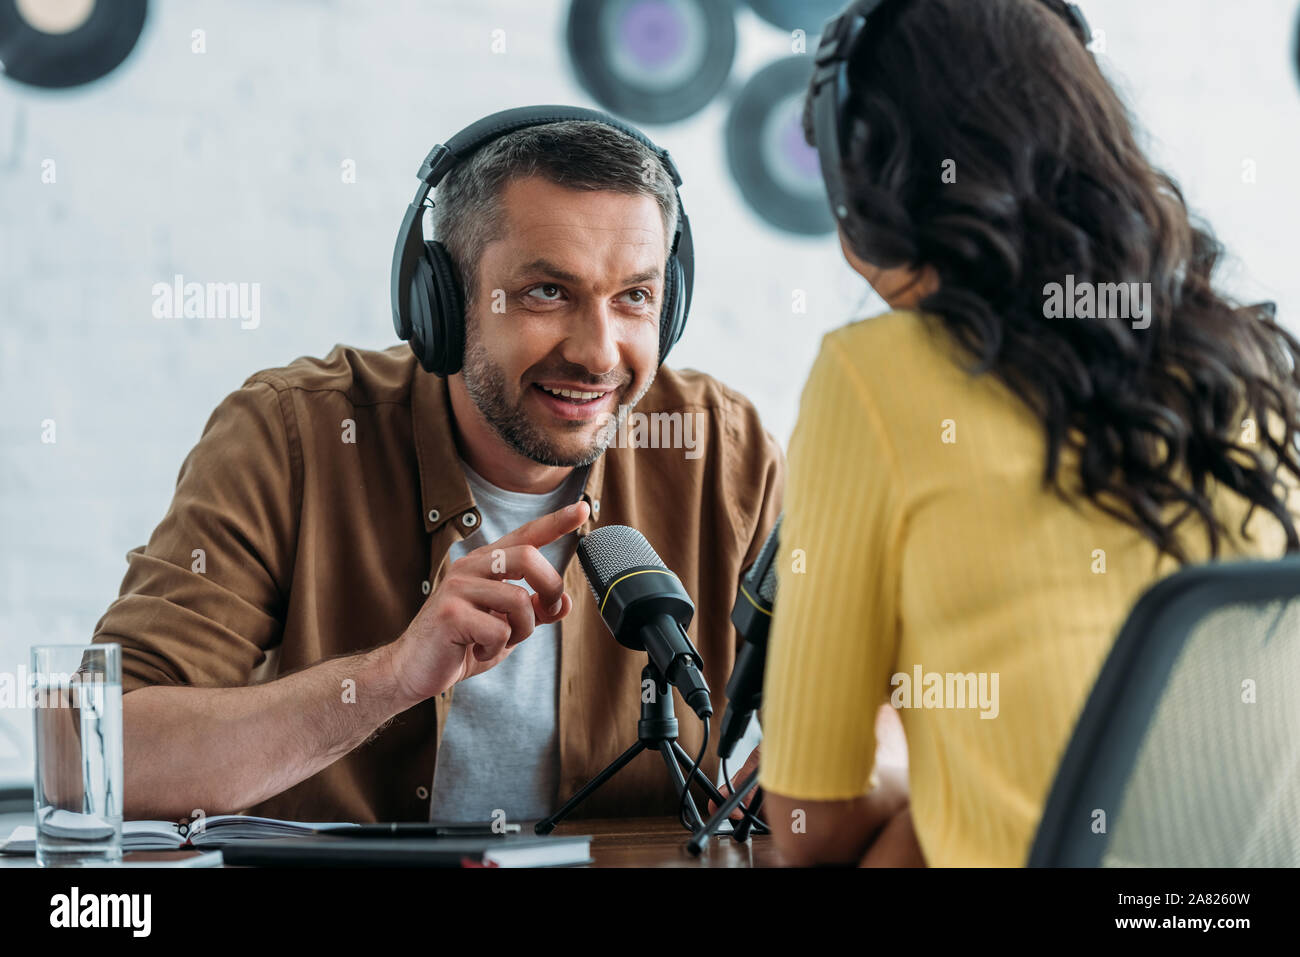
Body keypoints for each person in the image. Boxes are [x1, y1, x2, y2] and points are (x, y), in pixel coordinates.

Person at [91, 112, 783, 826]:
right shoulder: (289, 435)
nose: (599, 354)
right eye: (547, 292)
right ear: (442, 304)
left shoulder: (725, 451)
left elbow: (877, 714)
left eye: (634, 296)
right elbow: (106, 752)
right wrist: (387, 677)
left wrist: (819, 771)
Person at [758, 0, 1300, 866]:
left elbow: (805, 828)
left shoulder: (875, 377)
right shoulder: (1251, 368)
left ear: (860, 182)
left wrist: (908, 782)